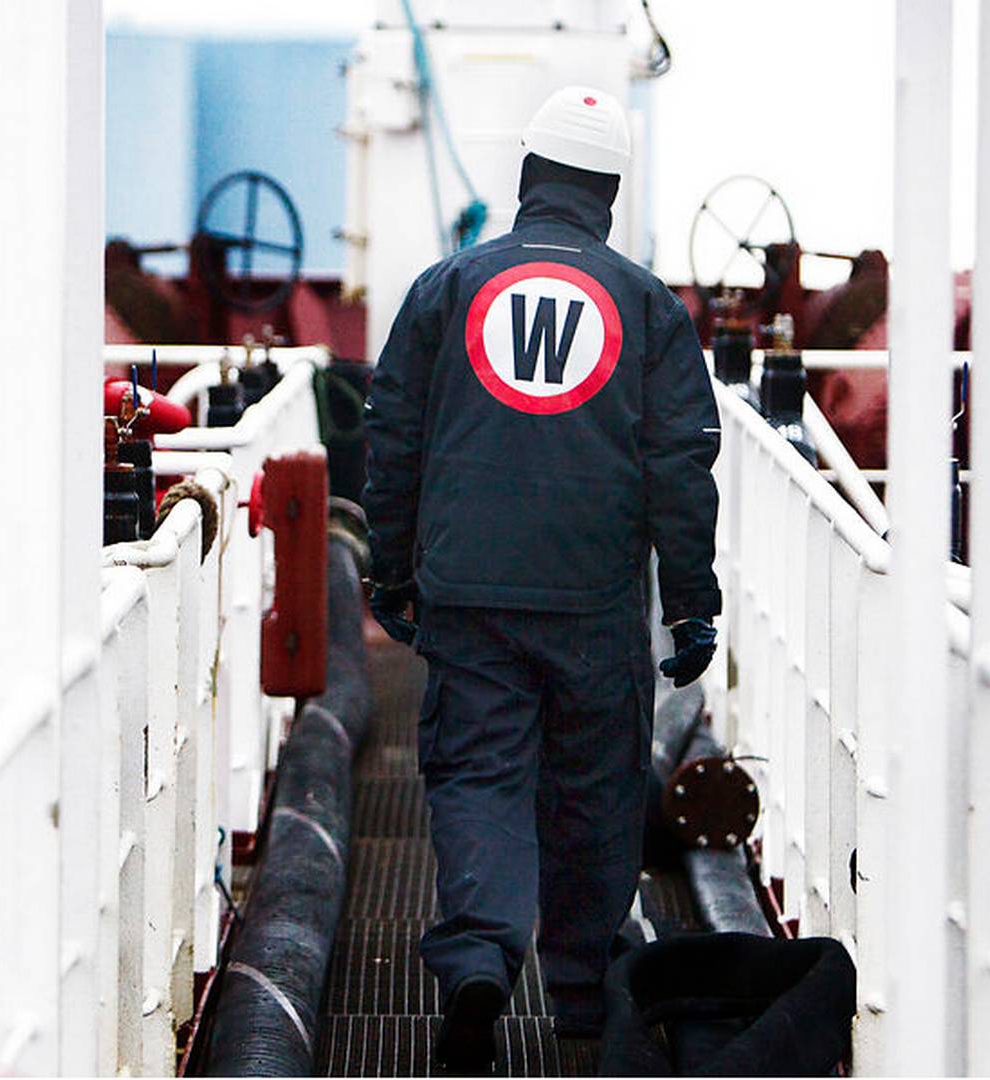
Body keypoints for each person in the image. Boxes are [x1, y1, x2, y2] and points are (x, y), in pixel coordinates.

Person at [362, 85, 723, 1072]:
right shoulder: (647, 306)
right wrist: (692, 606)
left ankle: (480, 961)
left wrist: (390, 571)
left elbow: (392, 437)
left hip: (468, 588)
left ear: (528, 175)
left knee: (478, 773)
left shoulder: (448, 286)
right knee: (595, 790)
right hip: (595, 597)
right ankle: (583, 1003)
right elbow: (681, 466)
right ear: (610, 192)